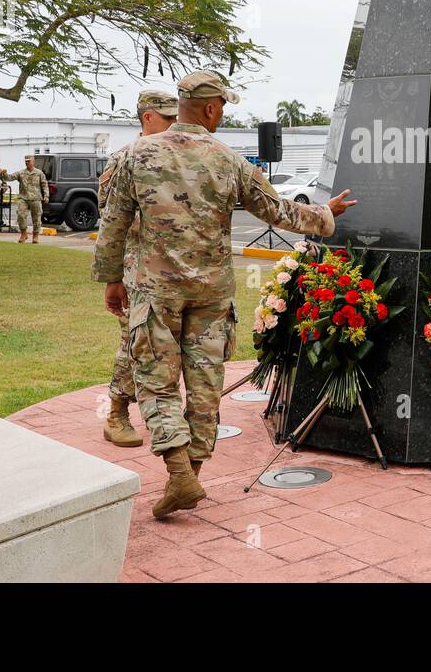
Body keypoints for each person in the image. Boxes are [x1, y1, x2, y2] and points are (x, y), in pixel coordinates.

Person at [93, 70, 357, 520]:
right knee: (205, 384)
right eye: (222, 109)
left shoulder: (136, 155)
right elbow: (276, 211)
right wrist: (323, 215)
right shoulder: (229, 160)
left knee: (156, 382)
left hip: (156, 292)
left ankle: (180, 475)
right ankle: (189, 474)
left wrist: (112, 278)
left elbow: (114, 223)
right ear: (212, 108)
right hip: (212, 293)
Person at [97, 88, 179, 449]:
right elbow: (111, 221)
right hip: (137, 266)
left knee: (169, 341)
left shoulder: (178, 156)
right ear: (148, 117)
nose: (175, 124)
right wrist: (113, 276)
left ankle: (163, 413)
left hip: (174, 268)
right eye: (168, 117)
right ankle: (116, 413)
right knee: (133, 339)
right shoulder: (123, 159)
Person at [13, 156, 49, 243]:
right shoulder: (21, 173)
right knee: (21, 215)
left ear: (33, 162)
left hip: (35, 198)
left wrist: (46, 195)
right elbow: (10, 177)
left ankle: (35, 236)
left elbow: (44, 184)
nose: (27, 163)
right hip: (23, 198)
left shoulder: (39, 173)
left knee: (36, 218)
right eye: (26, 161)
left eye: (29, 161)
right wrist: (3, 174)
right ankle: (23, 234)